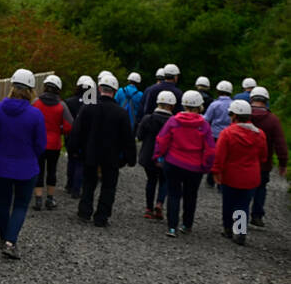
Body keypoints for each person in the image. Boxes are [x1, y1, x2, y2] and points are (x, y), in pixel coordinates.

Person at [0, 68, 47, 260]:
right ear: (31, 90)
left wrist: (1, 149)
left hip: (1, 164)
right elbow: (41, 144)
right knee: (20, 205)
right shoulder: (35, 115)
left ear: (12, 86)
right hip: (26, 167)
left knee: (3, 202)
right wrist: (29, 154)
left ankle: (3, 239)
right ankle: (11, 242)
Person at [68, 72, 135, 227]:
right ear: (115, 91)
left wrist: (74, 149)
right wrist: (129, 158)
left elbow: (77, 131)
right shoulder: (121, 113)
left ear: (99, 89)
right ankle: (101, 217)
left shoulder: (88, 107)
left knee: (89, 183)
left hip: (90, 153)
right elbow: (127, 138)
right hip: (111, 157)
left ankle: (84, 211)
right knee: (109, 187)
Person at [155, 89, 216, 237]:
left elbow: (162, 140)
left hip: (173, 163)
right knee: (191, 195)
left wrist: (158, 156)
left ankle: (171, 227)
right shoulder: (204, 125)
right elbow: (209, 149)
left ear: (183, 105)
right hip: (194, 167)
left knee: (173, 194)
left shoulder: (174, 121)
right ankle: (187, 225)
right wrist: (207, 166)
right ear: (200, 106)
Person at [213, 100, 267, 245]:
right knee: (243, 204)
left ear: (235, 115)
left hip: (230, 176)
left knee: (228, 203)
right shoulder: (260, 134)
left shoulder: (227, 133)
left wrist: (216, 171)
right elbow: (263, 156)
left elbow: (219, 156)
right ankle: (240, 231)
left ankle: (228, 228)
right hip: (251, 177)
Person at [31, 74, 73, 211]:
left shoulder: (36, 102)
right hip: (54, 144)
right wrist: (58, 130)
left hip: (38, 142)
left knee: (39, 169)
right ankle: (50, 199)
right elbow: (69, 126)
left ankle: (38, 199)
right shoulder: (62, 106)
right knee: (52, 170)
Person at [248, 87, 288, 228]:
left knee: (241, 195)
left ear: (251, 99)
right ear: (266, 101)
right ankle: (257, 216)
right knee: (260, 188)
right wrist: (283, 163)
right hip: (263, 164)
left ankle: (238, 228)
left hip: (242, 163)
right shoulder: (272, 120)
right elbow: (280, 143)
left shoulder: (243, 115)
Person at [136, 90, 175, 220]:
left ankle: (148, 208)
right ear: (172, 105)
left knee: (151, 181)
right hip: (166, 157)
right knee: (164, 181)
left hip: (148, 156)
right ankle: (159, 203)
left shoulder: (148, 118)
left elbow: (140, 136)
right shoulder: (174, 121)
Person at [63, 75, 94, 196]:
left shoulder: (69, 102)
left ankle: (69, 184)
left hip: (71, 135)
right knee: (81, 162)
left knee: (72, 159)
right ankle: (77, 188)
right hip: (86, 137)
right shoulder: (93, 104)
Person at [203, 81, 235, 189]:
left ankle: (210, 180)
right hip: (229, 134)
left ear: (218, 91)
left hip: (215, 134)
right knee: (226, 158)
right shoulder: (234, 104)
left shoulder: (214, 104)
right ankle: (222, 183)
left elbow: (207, 119)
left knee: (214, 157)